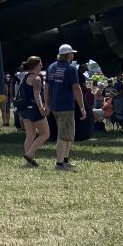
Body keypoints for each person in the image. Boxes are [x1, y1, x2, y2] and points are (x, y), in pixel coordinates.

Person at [44, 43, 85, 171]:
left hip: (55, 106)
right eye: (72, 53)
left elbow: (47, 87)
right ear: (68, 55)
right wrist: (82, 107)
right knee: (63, 135)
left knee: (68, 134)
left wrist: (47, 104)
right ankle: (59, 164)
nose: (73, 55)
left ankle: (65, 160)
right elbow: (76, 88)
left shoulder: (51, 67)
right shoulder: (71, 68)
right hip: (66, 106)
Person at [15, 57, 48, 166]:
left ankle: (28, 160)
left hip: (24, 109)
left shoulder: (25, 77)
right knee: (45, 134)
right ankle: (29, 154)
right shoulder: (36, 79)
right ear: (35, 66)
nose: (41, 67)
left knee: (30, 134)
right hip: (34, 109)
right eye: (40, 65)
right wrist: (41, 108)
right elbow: (37, 95)